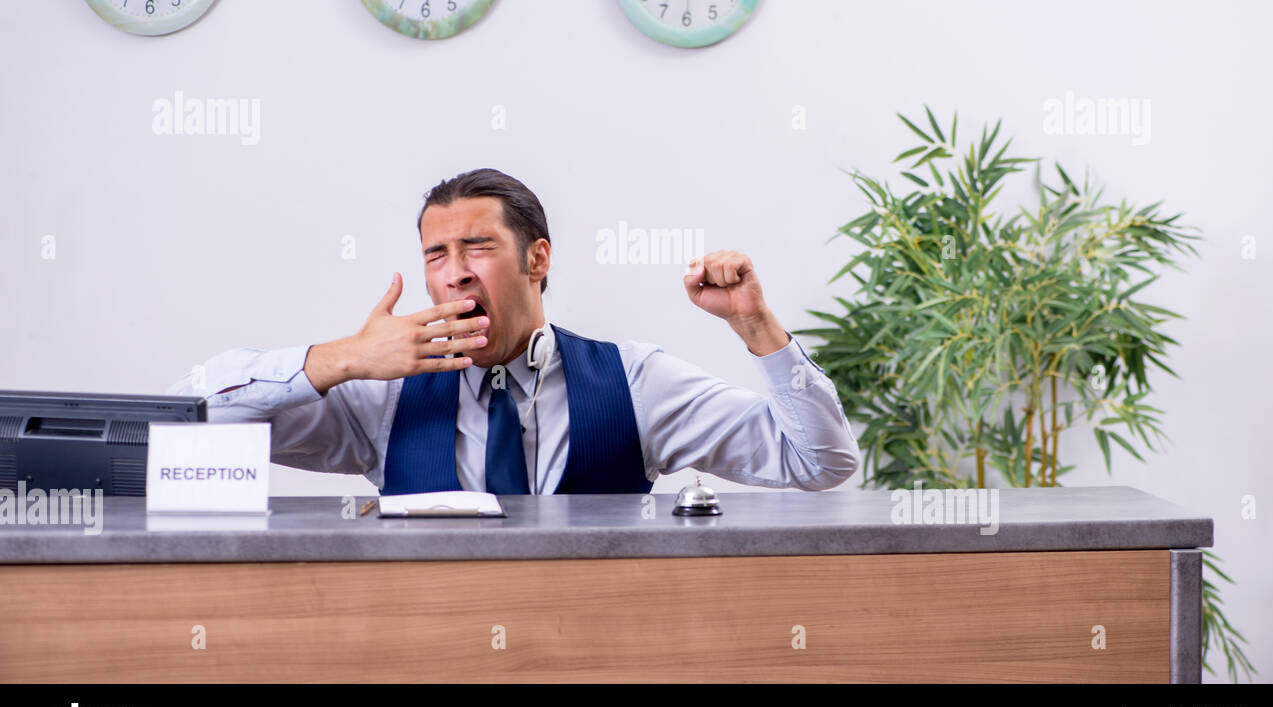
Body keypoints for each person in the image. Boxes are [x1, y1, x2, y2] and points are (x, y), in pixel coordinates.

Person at [167, 169, 859, 495]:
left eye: (478, 247)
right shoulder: (377, 395)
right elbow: (184, 424)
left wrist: (755, 324)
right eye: (437, 256)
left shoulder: (635, 380)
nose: (456, 274)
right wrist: (343, 359)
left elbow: (821, 462)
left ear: (538, 258)